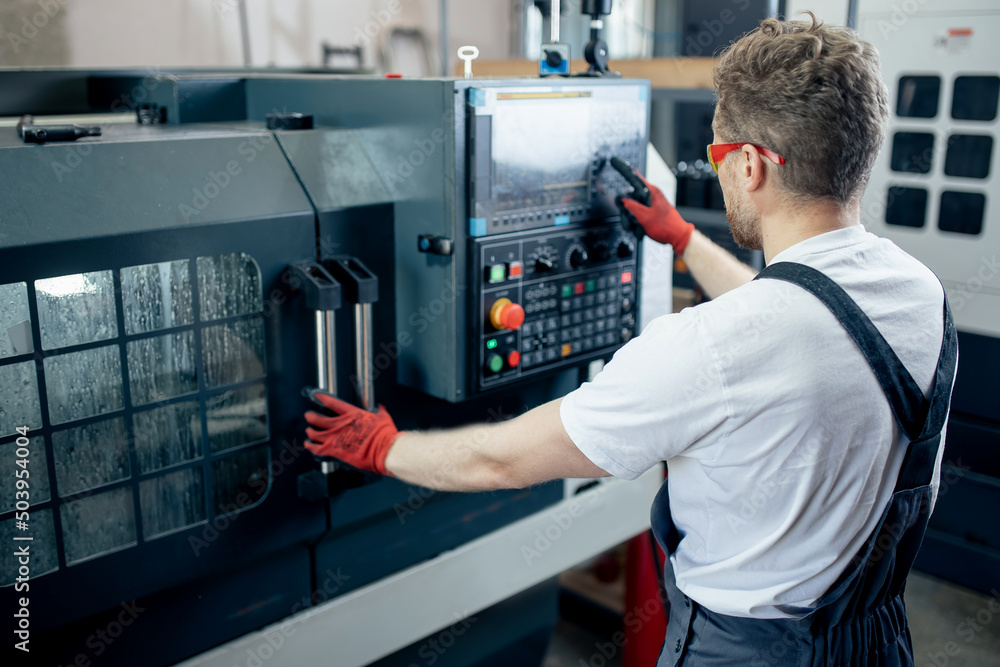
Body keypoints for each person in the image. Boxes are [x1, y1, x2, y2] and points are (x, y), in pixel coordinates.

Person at [304, 13, 956, 666]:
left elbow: (500, 460)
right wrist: (684, 239)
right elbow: (805, 315)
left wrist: (385, 447)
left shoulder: (705, 347)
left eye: (718, 156)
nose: (718, 169)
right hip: (875, 638)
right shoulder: (919, 292)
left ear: (752, 165)